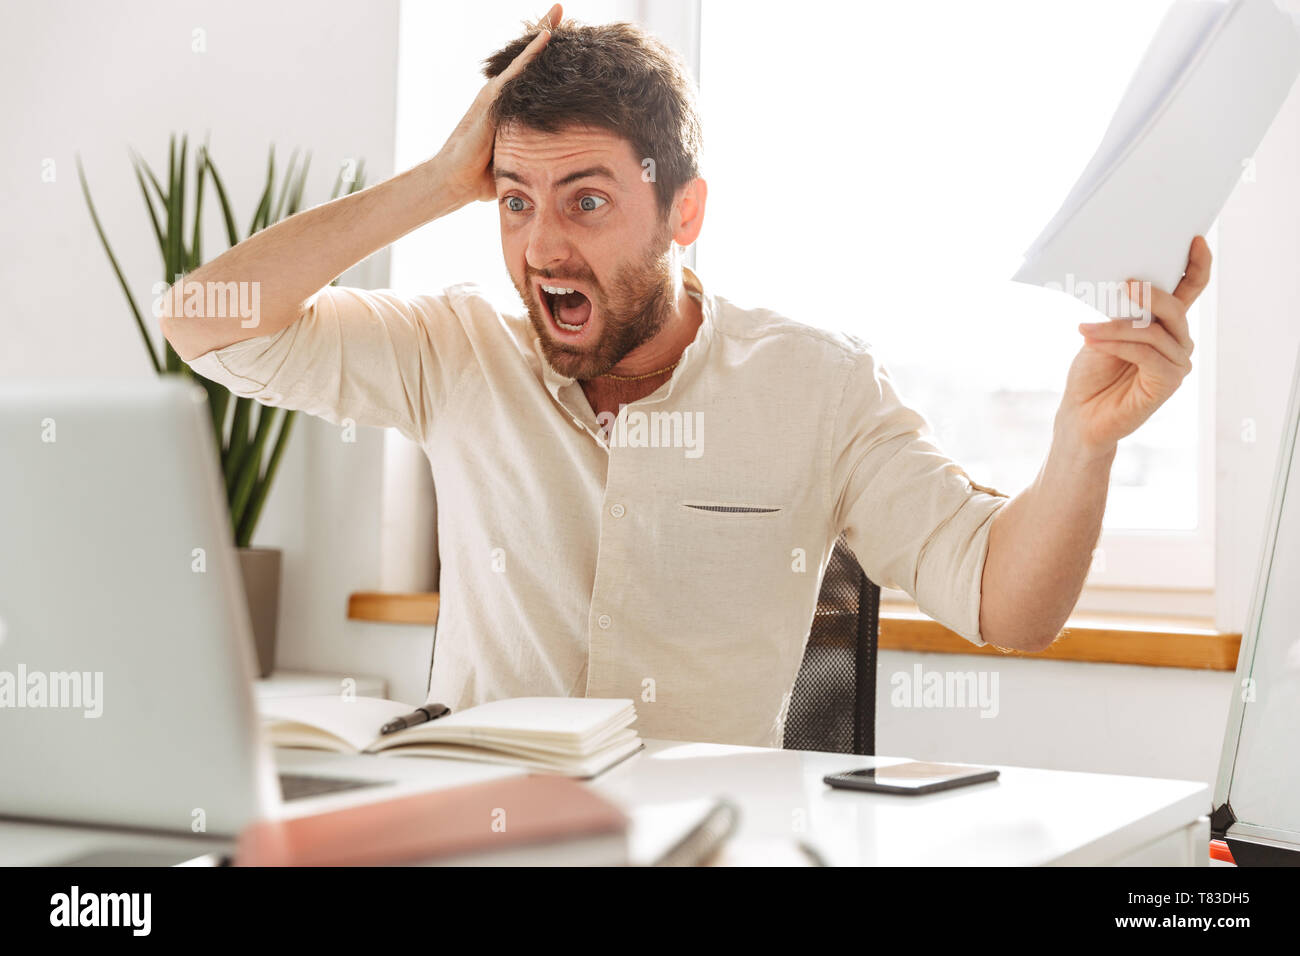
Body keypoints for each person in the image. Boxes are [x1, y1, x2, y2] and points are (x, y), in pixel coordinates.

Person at [160, 5, 1210, 747]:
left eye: (586, 200)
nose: (540, 247)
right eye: (515, 200)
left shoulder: (816, 385)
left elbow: (1004, 603)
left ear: (683, 213)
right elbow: (202, 324)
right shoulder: (453, 350)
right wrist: (439, 182)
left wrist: (1083, 440)